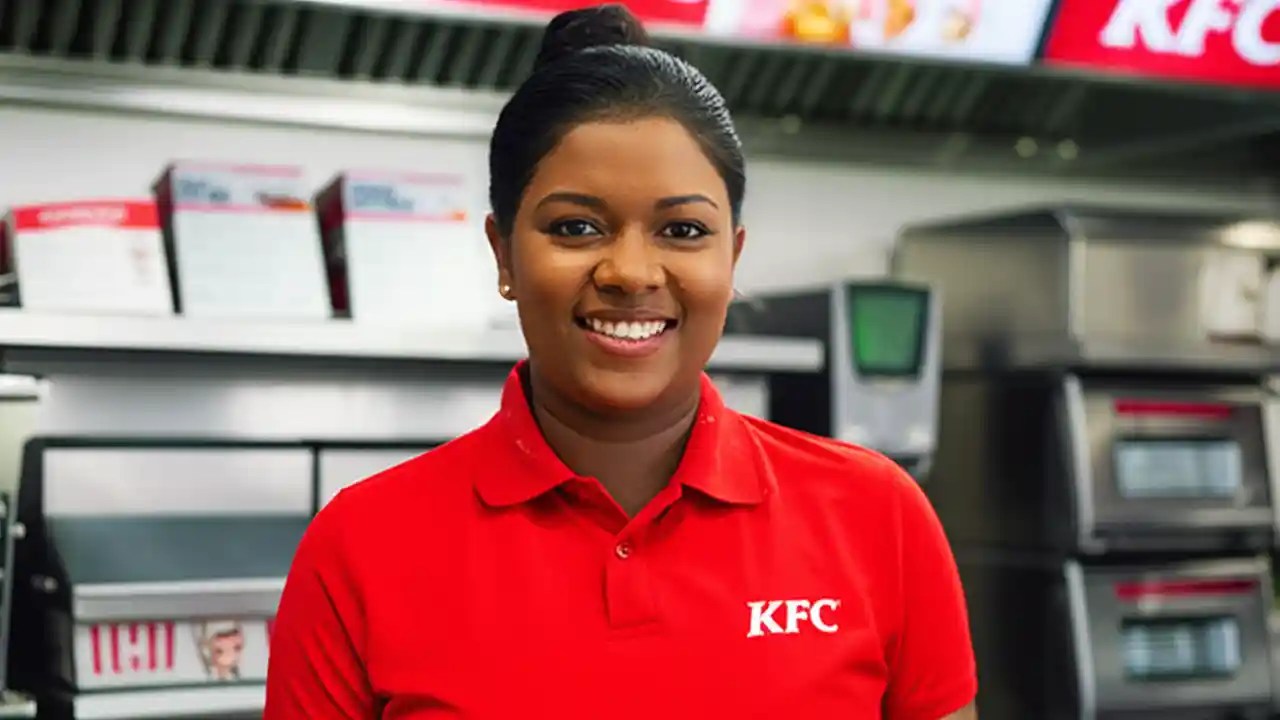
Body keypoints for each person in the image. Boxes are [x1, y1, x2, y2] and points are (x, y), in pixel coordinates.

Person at [264, 4, 977, 718]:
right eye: (576, 227)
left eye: (683, 230)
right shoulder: (361, 546)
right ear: (504, 253)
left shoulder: (877, 516)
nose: (631, 272)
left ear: (731, 258)